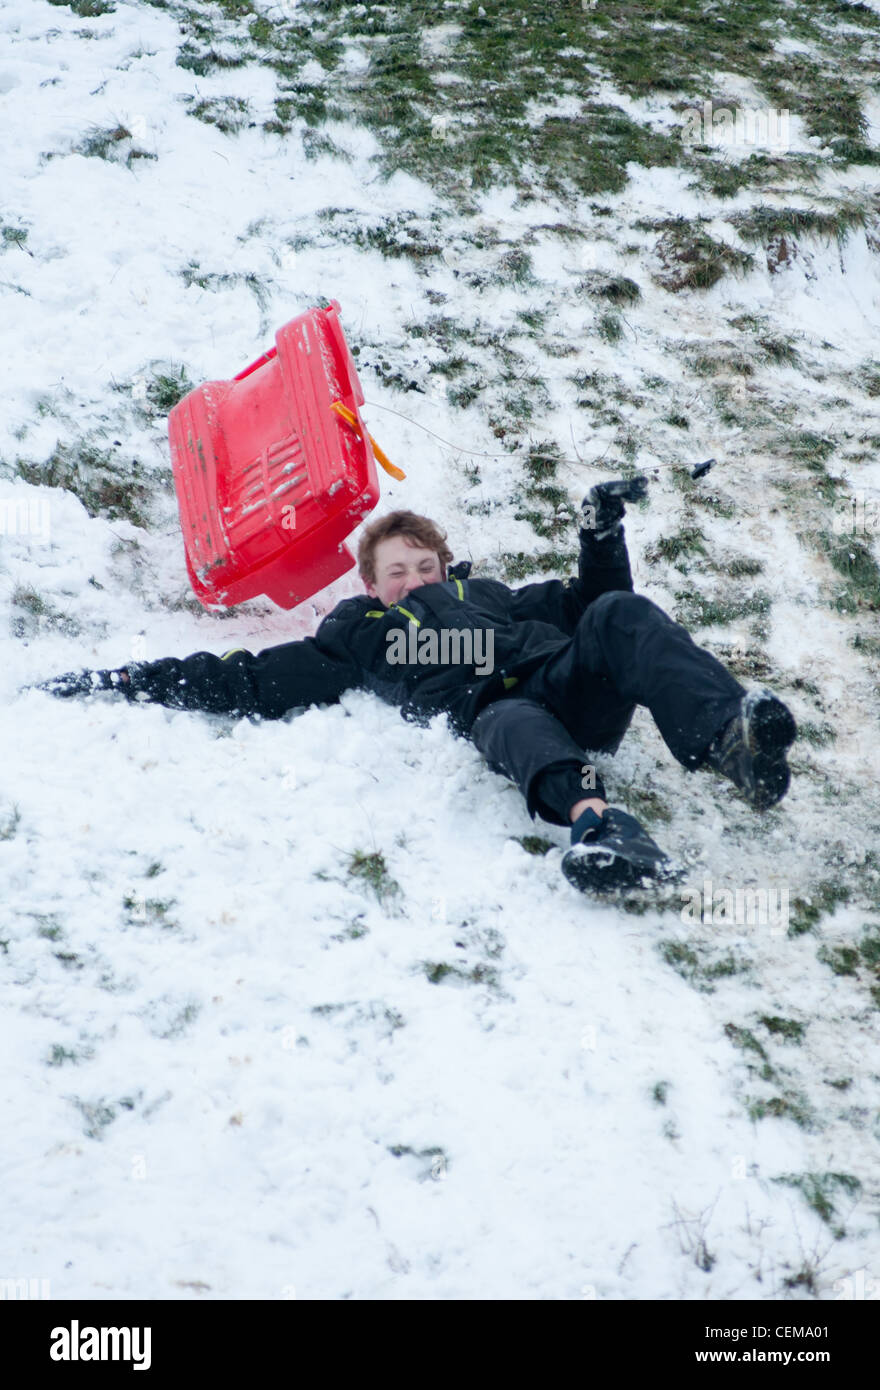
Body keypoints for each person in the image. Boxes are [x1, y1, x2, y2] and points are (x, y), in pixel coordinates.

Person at [34, 486, 797, 893]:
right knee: (508, 721)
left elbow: (597, 613)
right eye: (395, 572)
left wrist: (601, 537)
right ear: (371, 584)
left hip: (568, 684)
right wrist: (129, 677)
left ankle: (732, 737)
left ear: (445, 564)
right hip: (502, 709)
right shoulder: (359, 635)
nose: (412, 579)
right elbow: (253, 680)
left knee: (620, 613)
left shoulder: (497, 595)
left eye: (423, 566)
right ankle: (602, 829)